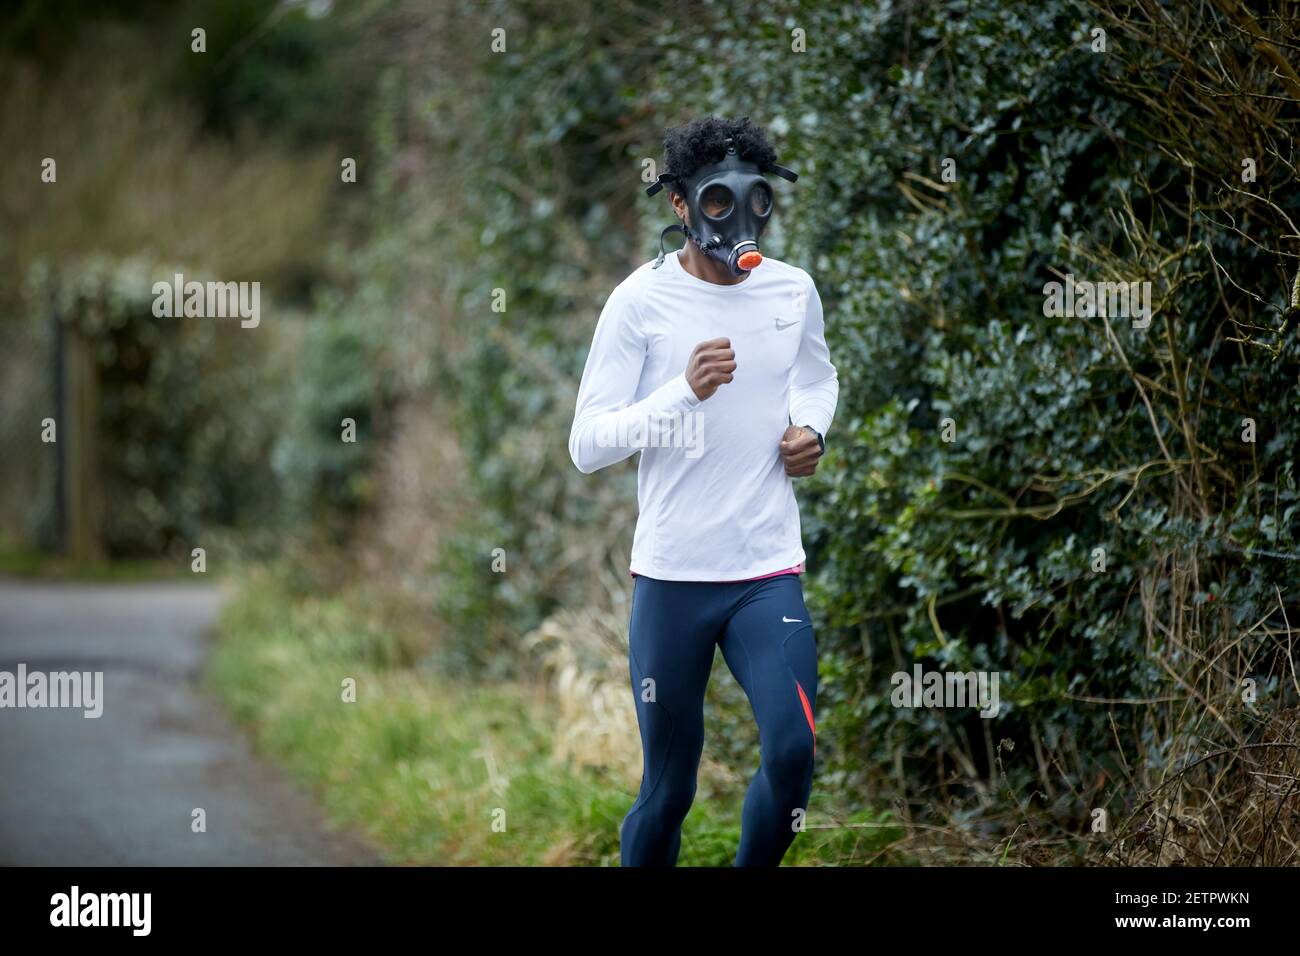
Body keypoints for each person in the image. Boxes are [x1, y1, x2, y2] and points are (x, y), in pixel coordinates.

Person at [568, 115, 839, 866]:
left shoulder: (793, 290)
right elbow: (588, 445)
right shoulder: (639, 302)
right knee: (669, 791)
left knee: (792, 753)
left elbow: (818, 376)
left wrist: (812, 429)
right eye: (717, 202)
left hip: (765, 572)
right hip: (673, 578)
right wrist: (683, 394)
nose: (740, 219)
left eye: (757, 201)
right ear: (681, 206)